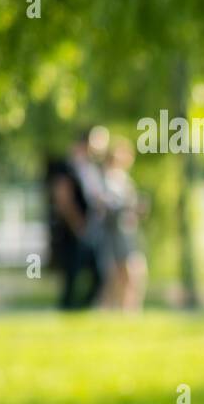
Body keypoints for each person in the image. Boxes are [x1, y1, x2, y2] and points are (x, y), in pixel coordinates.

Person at [46, 125, 108, 309]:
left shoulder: (92, 168)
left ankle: (81, 310)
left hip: (92, 227)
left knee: (98, 274)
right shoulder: (68, 166)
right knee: (72, 276)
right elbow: (63, 198)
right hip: (74, 230)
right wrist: (77, 224)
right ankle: (68, 309)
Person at [100, 136, 149, 311]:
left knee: (132, 273)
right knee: (122, 274)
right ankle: (115, 309)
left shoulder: (124, 178)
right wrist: (129, 206)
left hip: (128, 230)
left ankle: (128, 309)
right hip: (116, 232)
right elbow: (107, 205)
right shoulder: (106, 178)